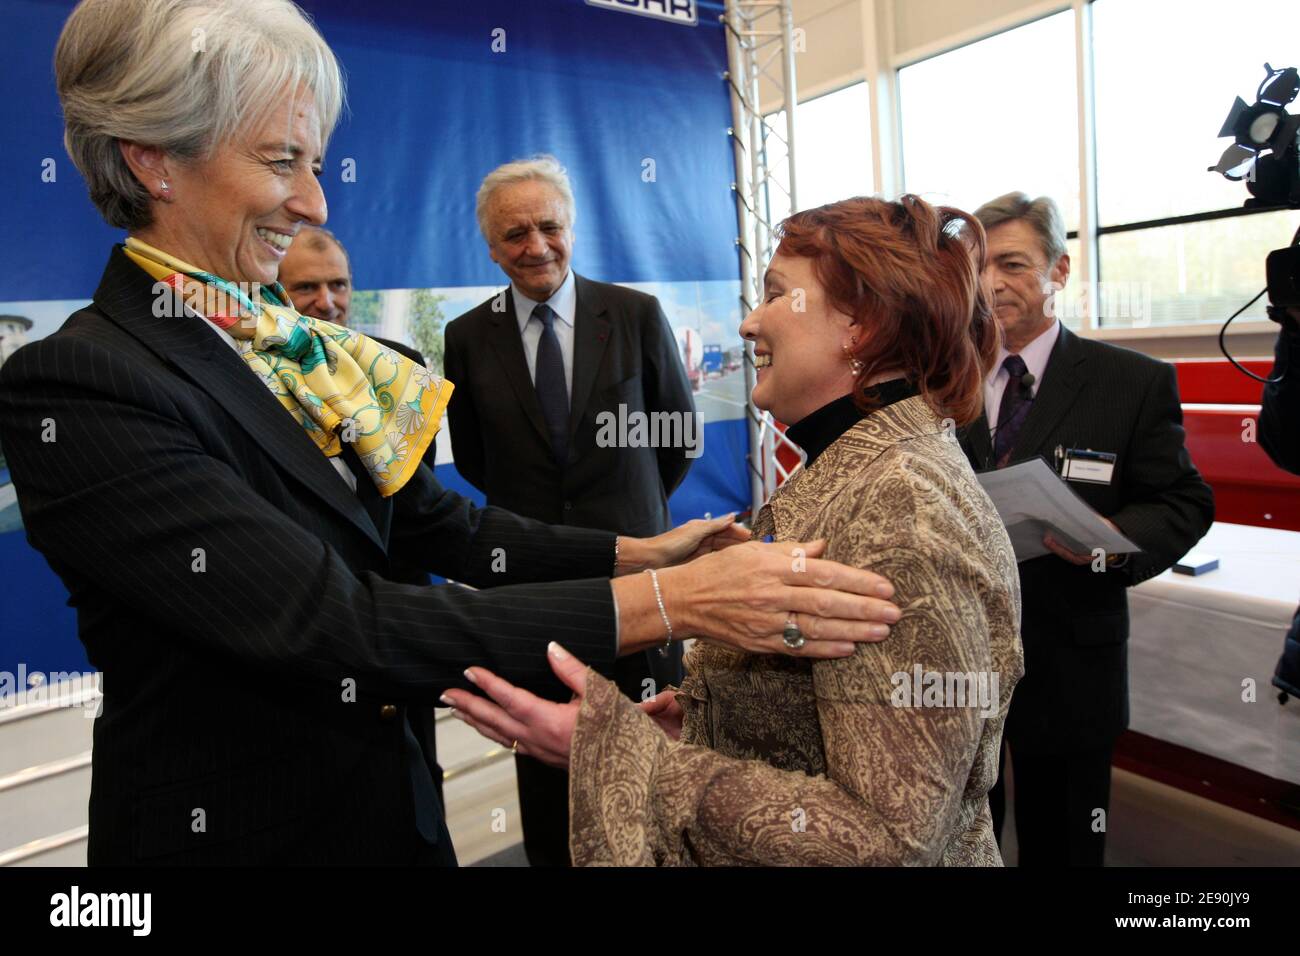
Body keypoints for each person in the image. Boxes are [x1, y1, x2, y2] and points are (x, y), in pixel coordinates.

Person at [0, 0, 904, 866]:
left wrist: (644, 553)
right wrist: (676, 602)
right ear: (154, 161)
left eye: (316, 164)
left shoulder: (295, 351)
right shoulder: (83, 383)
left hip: (396, 815)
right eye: (281, 162)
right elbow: (335, 621)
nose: (314, 203)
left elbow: (444, 525)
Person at [446, 194, 1025, 866]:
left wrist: (632, 756)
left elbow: (887, 842)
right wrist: (707, 724)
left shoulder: (904, 511)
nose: (750, 322)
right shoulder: (866, 471)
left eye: (777, 294)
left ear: (861, 326)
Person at [443, 156, 696, 865]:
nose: (536, 246)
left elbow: (677, 437)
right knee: (551, 774)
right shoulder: (467, 336)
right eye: (514, 234)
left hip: (639, 588)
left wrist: (633, 520)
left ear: (572, 230)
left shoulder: (635, 314)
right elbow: (476, 460)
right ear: (491, 249)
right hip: (534, 595)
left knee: (655, 765)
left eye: (549, 227)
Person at [961, 191, 1214, 866]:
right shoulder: (940, 383)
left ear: (1060, 270)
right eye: (979, 267)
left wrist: (1110, 538)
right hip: (956, 662)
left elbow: (1183, 500)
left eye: (1013, 264)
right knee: (962, 840)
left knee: (1067, 843)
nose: (992, 283)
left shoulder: (1129, 383)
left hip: (1070, 658)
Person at [280, 223, 445, 801]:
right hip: (308, 622)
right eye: (306, 287)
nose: (327, 301)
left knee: (417, 778)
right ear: (271, 290)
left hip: (402, 612)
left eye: (339, 285)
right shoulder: (250, 382)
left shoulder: (399, 366)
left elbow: (420, 506)